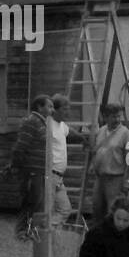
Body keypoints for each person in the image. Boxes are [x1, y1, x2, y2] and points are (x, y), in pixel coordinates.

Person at [4, 95, 53, 240]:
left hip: (40, 170)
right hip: (31, 170)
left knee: (38, 202)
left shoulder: (42, 123)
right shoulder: (32, 122)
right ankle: (21, 232)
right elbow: (21, 146)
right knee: (31, 201)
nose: (52, 109)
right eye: (49, 106)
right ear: (39, 107)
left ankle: (30, 231)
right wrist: (15, 166)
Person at [89, 103, 129, 226]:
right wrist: (92, 164)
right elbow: (96, 151)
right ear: (106, 117)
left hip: (116, 179)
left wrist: (128, 181)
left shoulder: (127, 134)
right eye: (113, 116)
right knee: (97, 208)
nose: (117, 119)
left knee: (113, 211)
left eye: (118, 116)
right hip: (100, 178)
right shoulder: (101, 131)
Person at [50, 94, 89, 229]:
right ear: (54, 109)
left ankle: (49, 234)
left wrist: (82, 138)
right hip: (50, 175)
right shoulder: (48, 125)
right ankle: (45, 237)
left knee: (65, 209)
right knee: (49, 209)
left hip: (58, 177)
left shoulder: (61, 125)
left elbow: (70, 131)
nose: (68, 112)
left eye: (68, 108)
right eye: (65, 109)